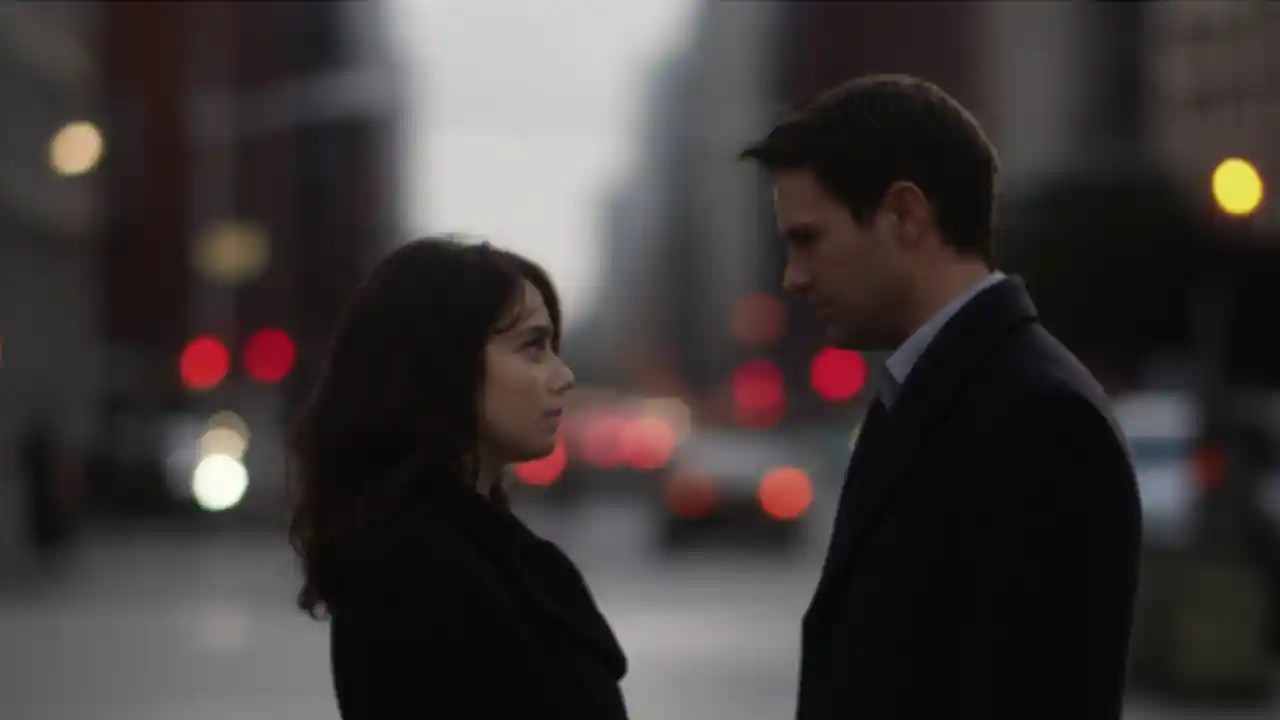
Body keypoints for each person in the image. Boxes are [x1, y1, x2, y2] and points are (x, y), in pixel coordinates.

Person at [740, 74, 1142, 718]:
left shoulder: (1038, 418)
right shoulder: (930, 391)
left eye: (808, 239)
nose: (792, 278)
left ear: (905, 215)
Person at [289, 237, 629, 719]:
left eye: (553, 346)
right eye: (533, 346)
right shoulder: (420, 571)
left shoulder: (477, 552)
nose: (564, 376)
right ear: (446, 363)